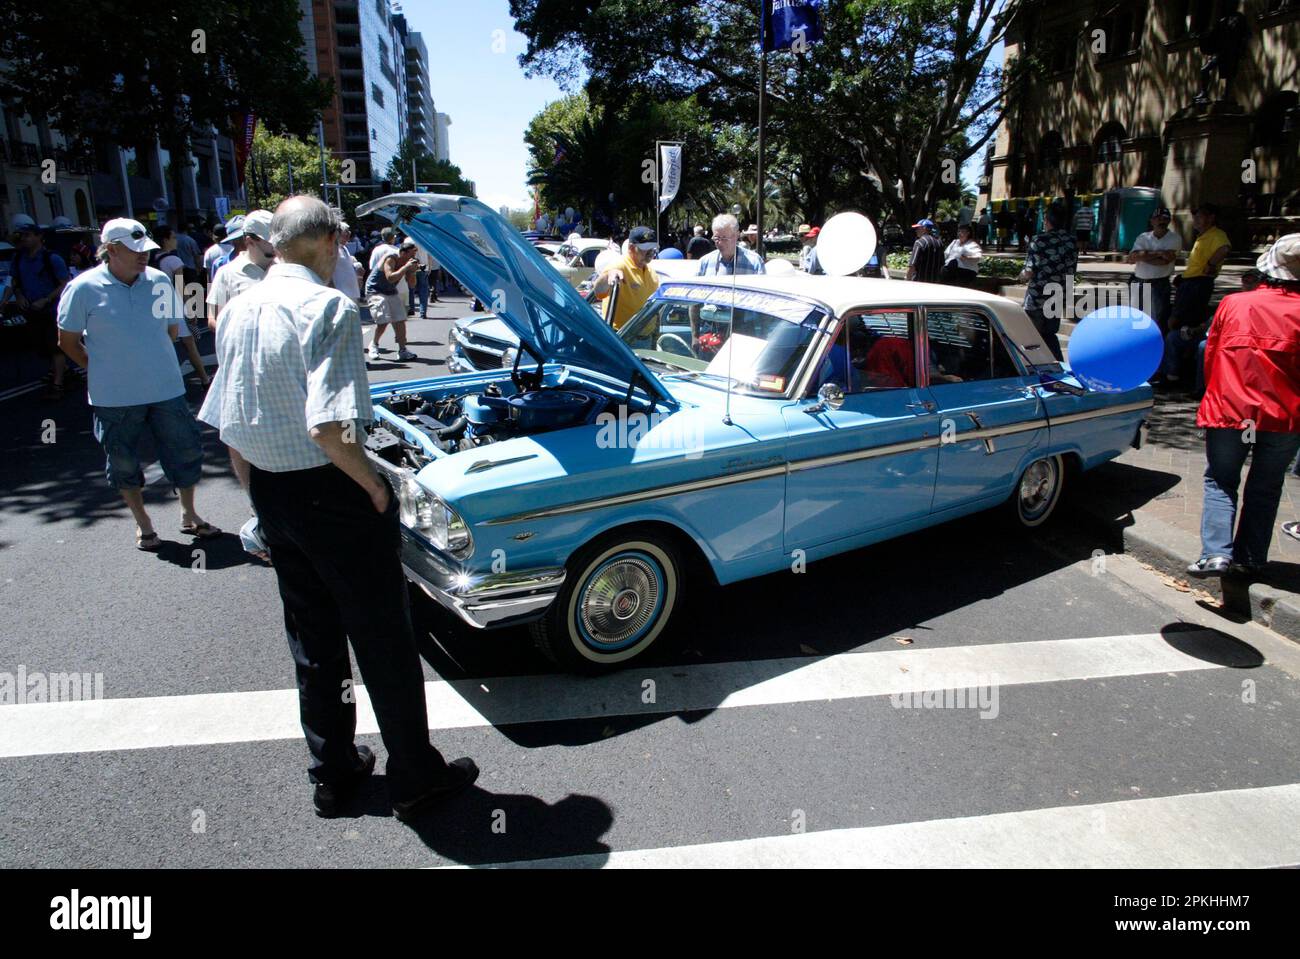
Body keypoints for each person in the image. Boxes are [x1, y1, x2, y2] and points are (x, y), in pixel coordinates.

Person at [198, 195, 478, 820]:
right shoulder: (327, 306)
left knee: (313, 639)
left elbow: (228, 422)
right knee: (384, 641)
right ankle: (414, 777)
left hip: (271, 488)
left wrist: (258, 496)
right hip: (335, 491)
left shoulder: (239, 307)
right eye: (342, 242)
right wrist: (374, 488)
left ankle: (333, 769)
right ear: (328, 241)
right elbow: (331, 428)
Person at [56, 218, 219, 551]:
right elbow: (67, 341)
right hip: (114, 399)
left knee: (185, 451)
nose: (144, 256)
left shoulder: (158, 281)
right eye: (136, 250)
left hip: (166, 390)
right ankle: (143, 524)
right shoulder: (83, 289)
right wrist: (100, 368)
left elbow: (172, 331)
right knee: (123, 461)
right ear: (112, 250)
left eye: (146, 249)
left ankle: (189, 514)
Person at [1185, 233, 1300, 579]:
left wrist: (1211, 394)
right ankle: (1250, 558)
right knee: (1266, 485)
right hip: (1283, 416)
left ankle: (1216, 555)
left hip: (1231, 410)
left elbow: (1210, 356)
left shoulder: (1234, 304)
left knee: (1221, 480)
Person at [1163, 203, 1231, 386]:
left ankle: (1173, 372)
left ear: (1211, 218)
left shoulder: (1217, 235)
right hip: (1190, 281)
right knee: (1181, 324)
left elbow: (1224, 248)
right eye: (1196, 216)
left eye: (1200, 216)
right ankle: (1178, 369)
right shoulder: (1203, 236)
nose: (1197, 220)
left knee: (1175, 322)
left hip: (1198, 284)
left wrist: (1210, 264)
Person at [11, 217, 71, 399]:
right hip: (31, 308)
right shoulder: (19, 258)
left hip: (51, 308)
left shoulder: (51, 258)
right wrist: (19, 296)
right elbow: (15, 281)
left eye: (28, 235)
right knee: (41, 346)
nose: (24, 239)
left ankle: (58, 384)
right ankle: (63, 371)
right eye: (21, 236)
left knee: (55, 346)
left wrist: (46, 299)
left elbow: (65, 283)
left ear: (39, 236)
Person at [152, 226, 212, 388]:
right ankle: (204, 379)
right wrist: (191, 309)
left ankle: (159, 379)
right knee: (189, 343)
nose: (176, 240)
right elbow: (180, 286)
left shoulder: (153, 259)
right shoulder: (174, 261)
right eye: (173, 237)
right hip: (174, 305)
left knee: (164, 343)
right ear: (165, 240)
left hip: (156, 304)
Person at [1018, 202, 1076, 361]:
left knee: (1031, 335)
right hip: (1057, 294)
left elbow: (1029, 271)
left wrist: (1021, 277)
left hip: (1038, 295)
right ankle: (1058, 365)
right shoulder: (1071, 241)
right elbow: (1071, 270)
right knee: (1050, 335)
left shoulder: (1039, 240)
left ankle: (1031, 366)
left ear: (1047, 220)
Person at [206, 210, 274, 335]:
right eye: (269, 240)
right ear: (249, 241)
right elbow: (213, 319)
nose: (276, 243)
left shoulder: (287, 267)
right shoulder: (226, 273)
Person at [590, 225, 660, 331]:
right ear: (631, 248)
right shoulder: (619, 266)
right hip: (622, 336)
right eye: (645, 249)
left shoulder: (651, 271)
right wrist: (607, 276)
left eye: (652, 248)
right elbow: (598, 291)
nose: (650, 252)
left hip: (646, 337)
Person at [1125, 207, 1181, 333]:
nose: (1162, 221)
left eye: (1165, 219)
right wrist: (1159, 253)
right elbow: (1132, 257)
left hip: (1159, 283)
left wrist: (1143, 256)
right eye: (1158, 218)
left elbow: (1165, 261)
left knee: (1155, 319)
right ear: (1152, 221)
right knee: (1134, 317)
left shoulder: (1174, 238)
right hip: (1138, 281)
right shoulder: (1143, 237)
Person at [366, 236, 419, 361]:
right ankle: (374, 345)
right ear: (403, 253)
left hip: (390, 291)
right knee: (383, 319)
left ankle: (402, 350)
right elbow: (390, 277)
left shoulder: (407, 262)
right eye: (411, 255)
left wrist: (412, 272)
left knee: (400, 319)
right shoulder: (391, 258)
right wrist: (406, 268)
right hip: (375, 291)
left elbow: (412, 285)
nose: (412, 258)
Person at [697, 214, 765, 276]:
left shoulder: (754, 262)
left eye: (724, 238)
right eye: (716, 238)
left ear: (737, 235)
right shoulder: (705, 262)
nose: (720, 243)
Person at [906, 219, 943, 283]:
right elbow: (942, 264)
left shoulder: (920, 242)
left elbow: (912, 265)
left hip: (920, 281)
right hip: (934, 282)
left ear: (924, 228)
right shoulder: (939, 243)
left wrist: (907, 279)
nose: (916, 230)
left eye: (918, 228)